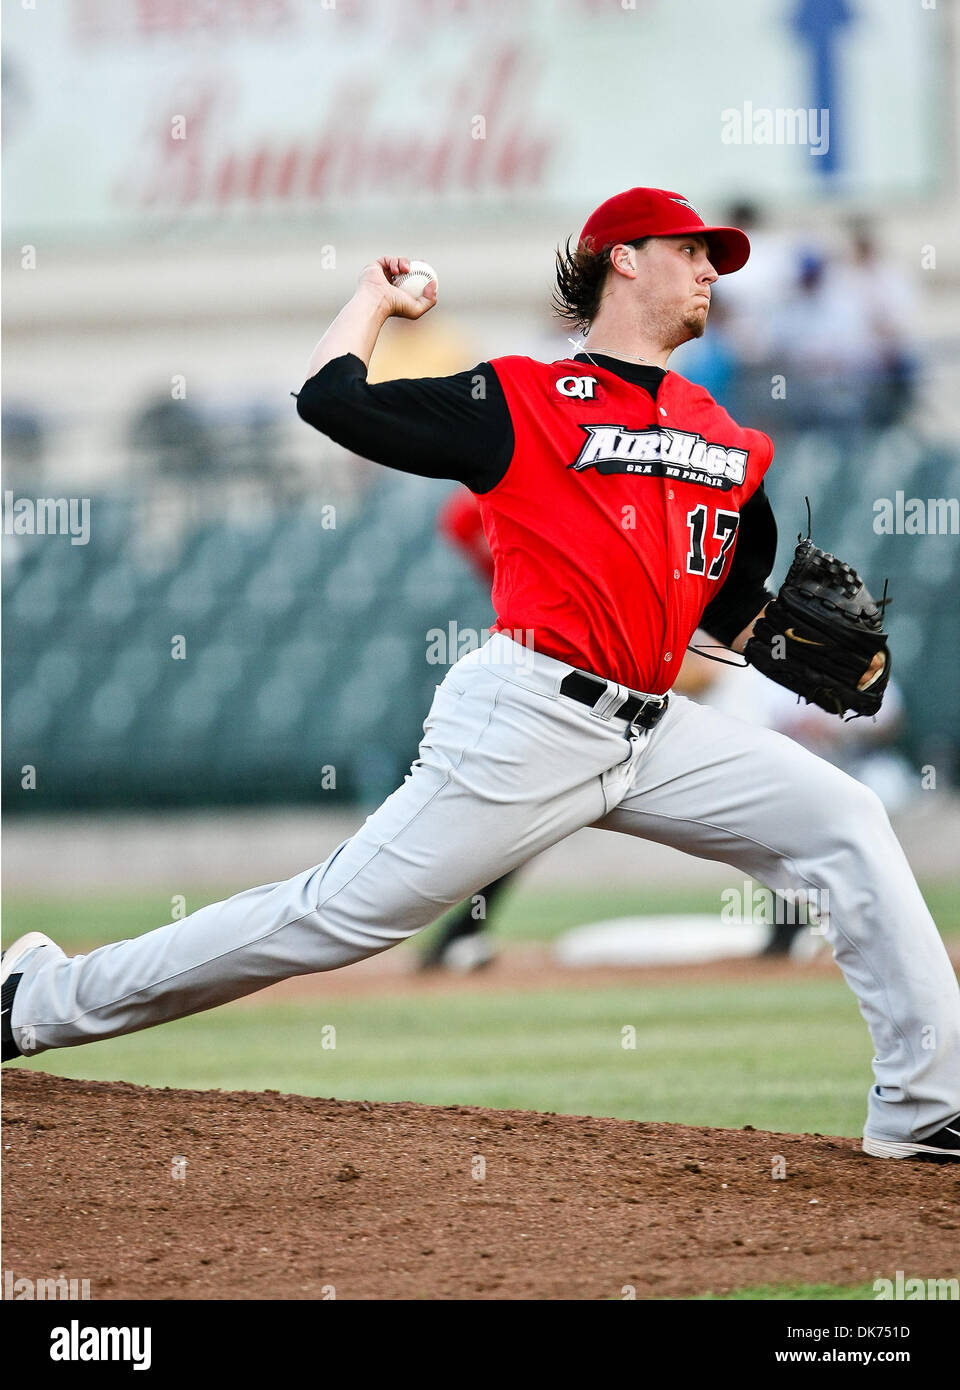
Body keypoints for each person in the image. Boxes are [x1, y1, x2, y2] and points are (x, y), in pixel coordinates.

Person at [4, 187, 958, 1164]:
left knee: (846, 821)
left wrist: (788, 642)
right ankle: (38, 999)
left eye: (716, 257)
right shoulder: (523, 399)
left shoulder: (720, 433)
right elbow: (331, 401)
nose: (712, 270)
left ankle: (923, 1106)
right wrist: (376, 301)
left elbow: (727, 597)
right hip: (528, 719)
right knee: (331, 916)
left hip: (656, 729)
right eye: (691, 250)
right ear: (622, 258)